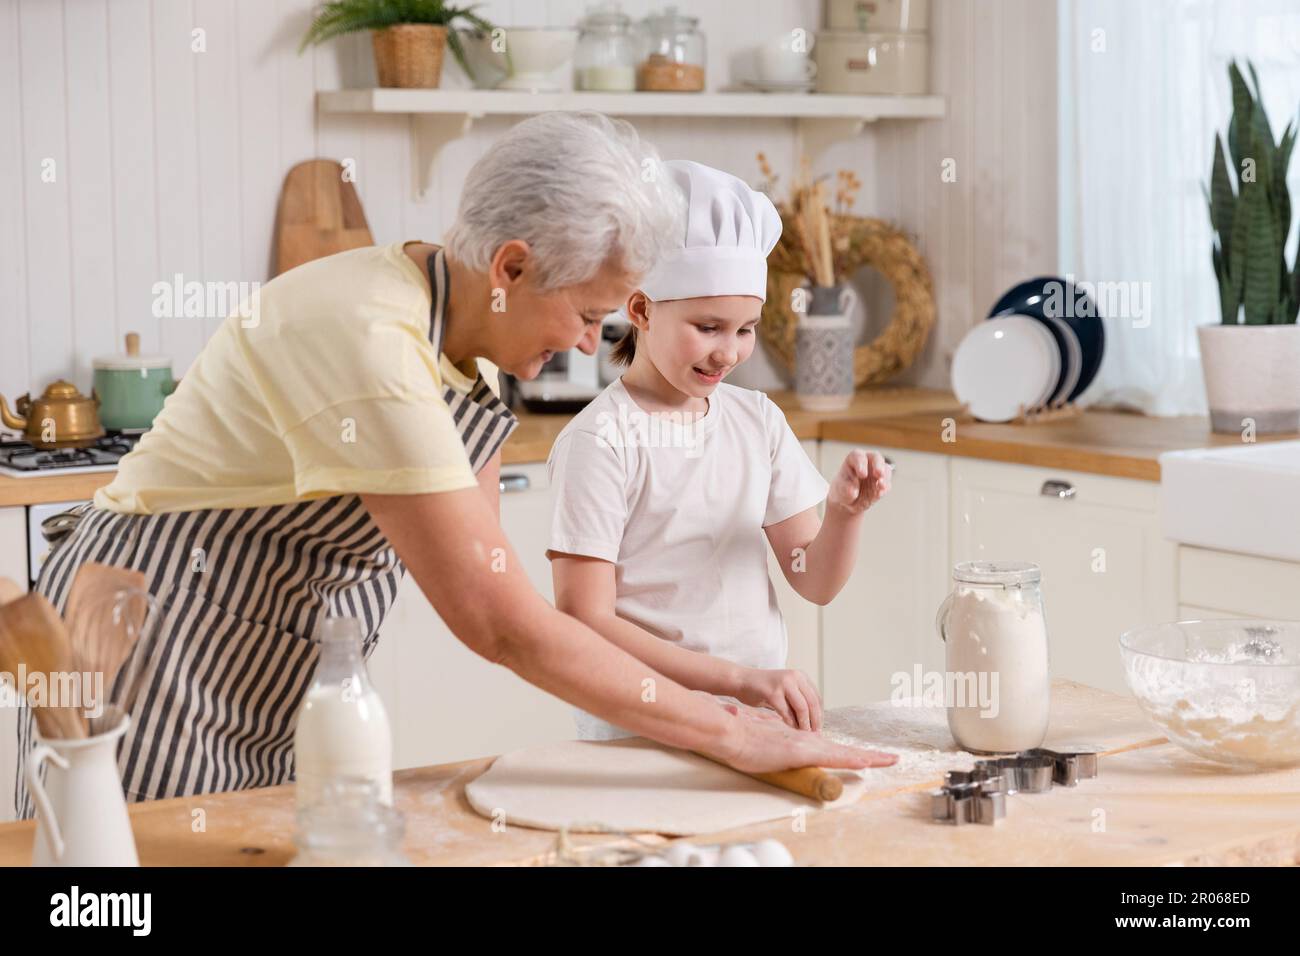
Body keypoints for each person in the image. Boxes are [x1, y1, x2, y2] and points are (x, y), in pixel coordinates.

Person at [13, 114, 894, 820]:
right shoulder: (371, 341)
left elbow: (498, 581)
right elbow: (500, 623)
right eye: (588, 315)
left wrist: (712, 705)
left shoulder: (466, 343)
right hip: (152, 640)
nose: (591, 342)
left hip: (257, 658)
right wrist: (732, 731)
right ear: (511, 266)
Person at [547, 160, 893, 740]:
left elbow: (814, 582)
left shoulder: (755, 420)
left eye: (745, 328)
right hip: (641, 730)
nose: (729, 352)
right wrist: (739, 679)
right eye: (708, 327)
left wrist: (843, 515)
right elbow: (586, 618)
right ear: (641, 309)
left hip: (751, 722)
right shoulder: (602, 439)